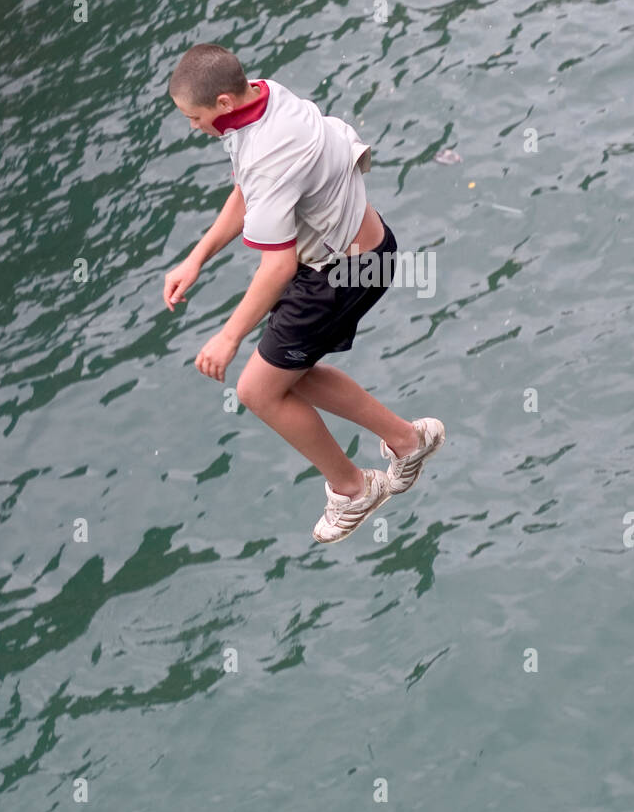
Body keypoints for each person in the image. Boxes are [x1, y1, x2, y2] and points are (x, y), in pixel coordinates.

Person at [163, 43, 445, 542]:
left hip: (341, 274)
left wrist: (227, 337)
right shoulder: (266, 97)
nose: (192, 126)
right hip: (361, 248)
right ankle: (409, 440)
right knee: (287, 374)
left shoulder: (270, 154)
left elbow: (276, 266)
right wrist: (196, 257)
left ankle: (354, 489)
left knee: (257, 390)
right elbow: (248, 191)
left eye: (194, 116)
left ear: (224, 103)